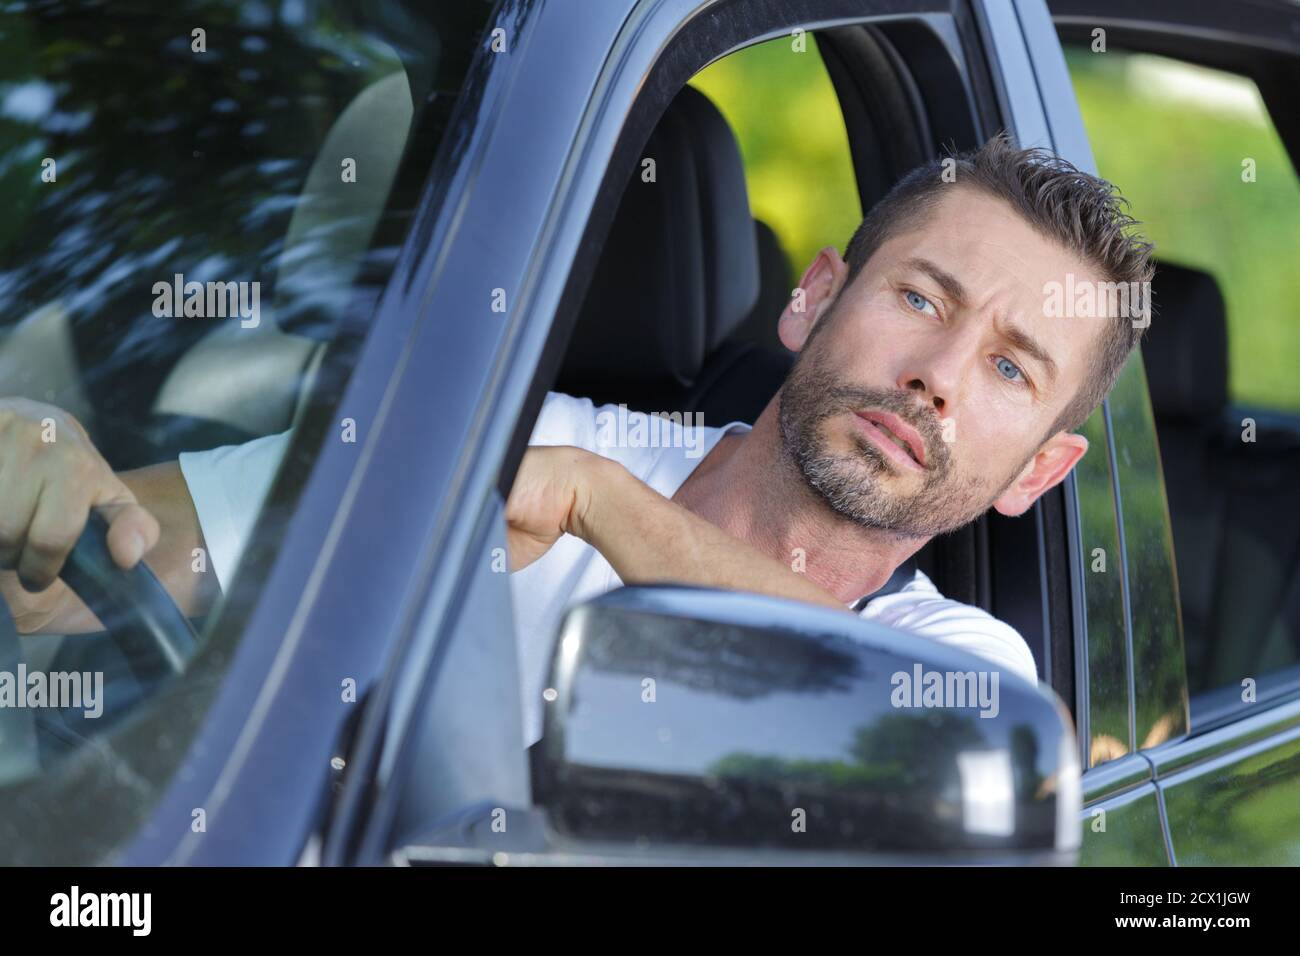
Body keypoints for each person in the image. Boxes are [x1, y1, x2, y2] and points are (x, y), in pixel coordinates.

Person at [0, 136, 1153, 746]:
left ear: (1038, 473)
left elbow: (983, 731)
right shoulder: (498, 439)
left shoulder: (957, 661)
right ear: (810, 300)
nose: (936, 377)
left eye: (1010, 367)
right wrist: (52, 501)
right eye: (920, 298)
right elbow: (117, 566)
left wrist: (602, 504)